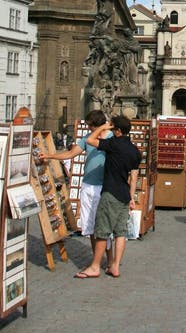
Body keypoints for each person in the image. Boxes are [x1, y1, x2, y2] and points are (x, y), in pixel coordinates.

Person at [39, 109, 114, 267]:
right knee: (89, 225)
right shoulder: (87, 138)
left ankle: (110, 260)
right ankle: (96, 260)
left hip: (105, 186)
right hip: (88, 185)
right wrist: (50, 156)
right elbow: (71, 154)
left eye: (90, 126)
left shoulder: (111, 138)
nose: (88, 128)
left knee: (104, 225)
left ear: (97, 125)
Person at [73, 115, 141, 279]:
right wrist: (131, 197)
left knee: (102, 231)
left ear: (117, 130)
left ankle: (95, 267)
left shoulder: (113, 144)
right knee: (120, 233)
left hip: (110, 192)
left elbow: (90, 140)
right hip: (124, 194)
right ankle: (115, 266)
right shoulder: (135, 151)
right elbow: (133, 178)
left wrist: (103, 128)